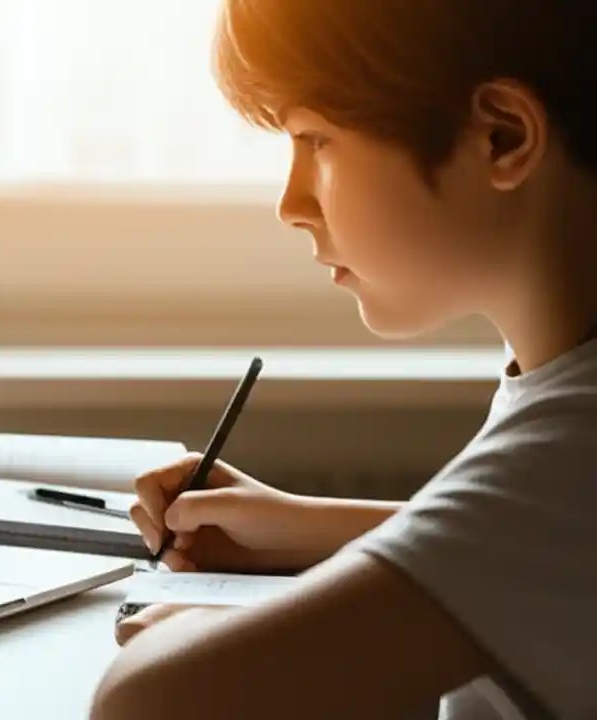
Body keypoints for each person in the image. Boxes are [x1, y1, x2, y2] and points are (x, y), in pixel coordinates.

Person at [90, 2, 597, 719]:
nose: (290, 203)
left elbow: (149, 700)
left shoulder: (570, 453)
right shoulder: (566, 416)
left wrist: (203, 632)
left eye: (315, 139)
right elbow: (539, 558)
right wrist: (305, 530)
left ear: (500, 136)